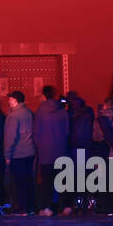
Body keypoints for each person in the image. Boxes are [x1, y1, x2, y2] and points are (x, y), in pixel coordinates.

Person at [32, 87, 69, 215]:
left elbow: (36, 132)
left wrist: (39, 147)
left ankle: (47, 207)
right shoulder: (62, 111)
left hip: (45, 151)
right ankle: (65, 206)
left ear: (44, 95)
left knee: (46, 182)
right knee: (62, 179)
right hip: (61, 149)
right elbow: (67, 131)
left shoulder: (40, 112)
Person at [3, 91, 36, 216]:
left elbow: (10, 137)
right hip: (30, 151)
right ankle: (30, 207)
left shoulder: (13, 116)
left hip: (18, 153)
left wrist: (7, 155)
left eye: (10, 99)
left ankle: (21, 208)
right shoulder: (29, 113)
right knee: (28, 181)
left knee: (18, 183)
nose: (9, 101)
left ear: (15, 100)